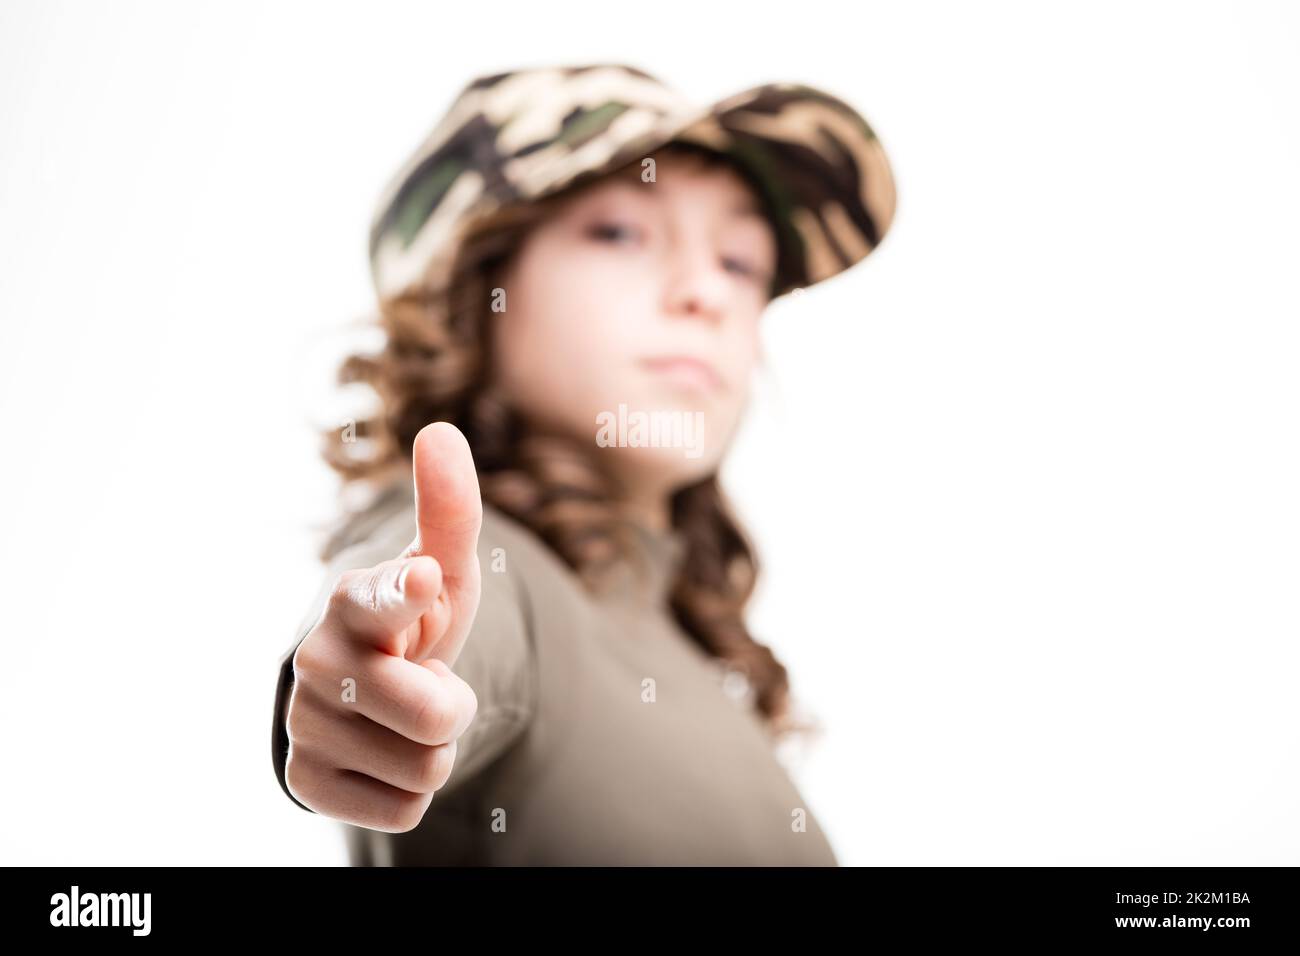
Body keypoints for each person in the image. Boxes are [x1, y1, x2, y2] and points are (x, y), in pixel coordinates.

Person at [270, 62, 896, 865]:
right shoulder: (494, 570)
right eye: (620, 232)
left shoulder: (692, 649)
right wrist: (361, 683)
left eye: (741, 262)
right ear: (474, 293)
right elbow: (421, 624)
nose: (706, 290)